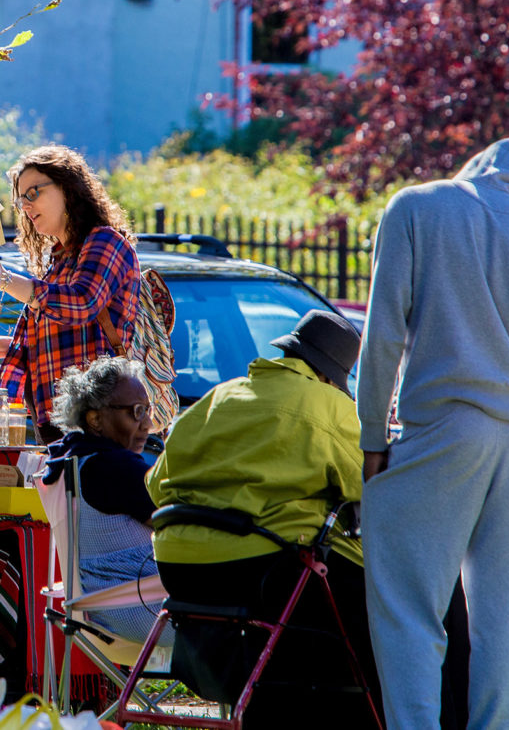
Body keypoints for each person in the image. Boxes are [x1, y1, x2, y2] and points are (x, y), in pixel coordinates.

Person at [357, 134, 509, 730]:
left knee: (408, 611)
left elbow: (383, 338)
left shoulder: (415, 207)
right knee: (503, 626)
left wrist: (373, 437)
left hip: (440, 432)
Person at [146, 309, 377, 725]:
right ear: (329, 376)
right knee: (380, 601)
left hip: (180, 571)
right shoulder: (328, 405)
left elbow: (156, 484)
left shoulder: (221, 395)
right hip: (261, 574)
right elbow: (370, 487)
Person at [0, 145, 140, 444]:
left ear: (68, 187)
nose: (26, 206)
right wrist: (4, 347)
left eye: (34, 193)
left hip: (99, 420)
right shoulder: (58, 263)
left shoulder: (105, 241)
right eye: (21, 200)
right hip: (58, 423)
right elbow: (57, 340)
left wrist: (3, 279)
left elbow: (81, 302)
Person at [44, 356, 164, 645]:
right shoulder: (115, 467)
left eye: (147, 411)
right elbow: (183, 527)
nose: (147, 425)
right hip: (143, 613)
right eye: (136, 412)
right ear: (95, 419)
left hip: (97, 614)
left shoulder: (75, 459)